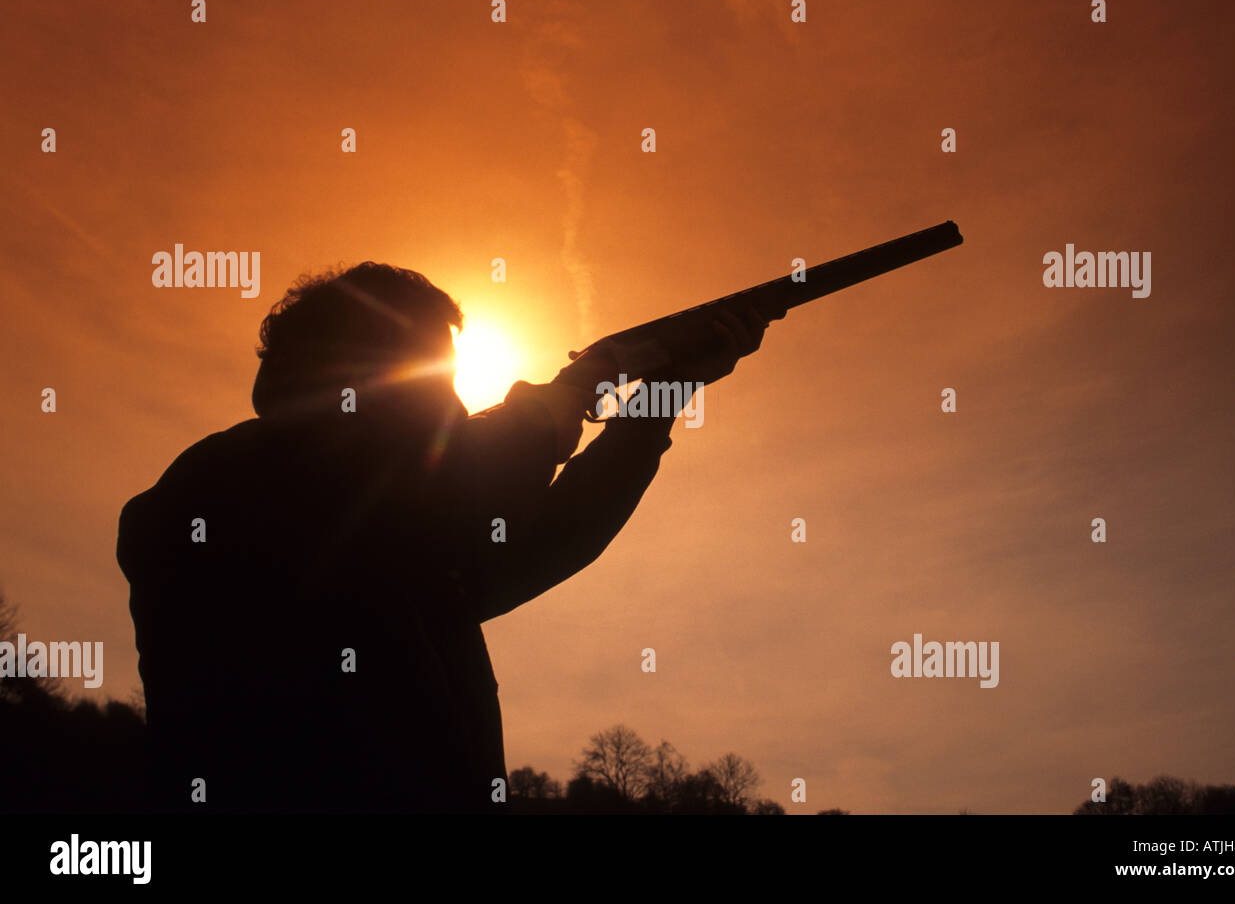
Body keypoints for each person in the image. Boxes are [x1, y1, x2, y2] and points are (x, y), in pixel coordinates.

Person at [116, 262, 768, 812]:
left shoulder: (400, 541)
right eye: (432, 376)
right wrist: (569, 395)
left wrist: (661, 397)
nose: (451, 402)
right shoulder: (224, 487)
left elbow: (537, 542)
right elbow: (455, 485)